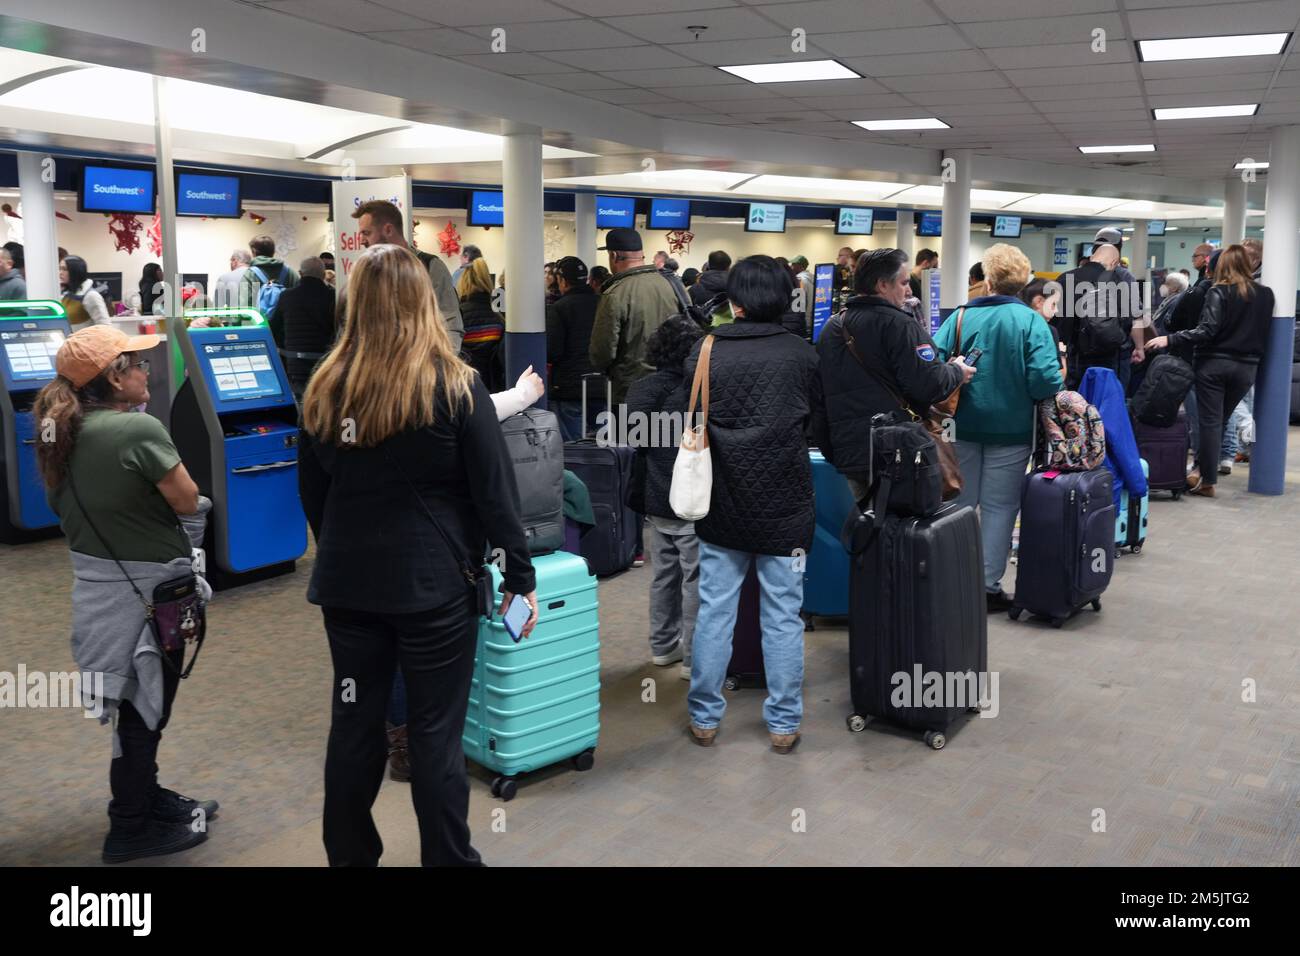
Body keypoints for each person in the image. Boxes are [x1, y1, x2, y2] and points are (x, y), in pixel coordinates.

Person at [298, 244, 536, 867]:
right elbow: (494, 493)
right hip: (434, 595)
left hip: (348, 595)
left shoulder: (325, 389)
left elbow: (314, 499)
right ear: (422, 302)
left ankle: (350, 859)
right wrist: (520, 576)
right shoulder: (457, 385)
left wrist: (349, 552)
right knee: (434, 734)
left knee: (353, 725)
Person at [34, 325, 215, 864]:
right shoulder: (138, 432)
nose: (146, 373)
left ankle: (145, 796)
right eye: (136, 364)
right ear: (114, 378)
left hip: (98, 593)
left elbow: (59, 509)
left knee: (136, 703)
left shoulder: (60, 432)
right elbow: (186, 500)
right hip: (153, 593)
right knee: (147, 708)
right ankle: (130, 825)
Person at [684, 255, 826, 755]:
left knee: (715, 611)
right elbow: (818, 428)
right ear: (786, 295)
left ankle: (704, 717)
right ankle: (783, 724)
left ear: (735, 299)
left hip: (721, 505)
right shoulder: (803, 355)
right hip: (786, 507)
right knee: (784, 614)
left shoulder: (705, 351)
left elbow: (691, 420)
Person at [934, 244, 1063, 612]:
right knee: (1000, 507)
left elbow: (935, 371)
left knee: (957, 505)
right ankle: (987, 586)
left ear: (987, 280)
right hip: (1012, 430)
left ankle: (949, 577)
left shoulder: (958, 318)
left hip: (957, 427)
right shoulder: (1031, 322)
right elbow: (1044, 380)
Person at [818, 248, 972, 500]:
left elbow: (819, 399)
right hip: (899, 451)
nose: (909, 290)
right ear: (882, 285)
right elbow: (928, 385)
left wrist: (834, 451)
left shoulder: (832, 327)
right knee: (902, 533)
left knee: (864, 529)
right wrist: (956, 371)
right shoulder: (900, 325)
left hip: (850, 453)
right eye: (903, 283)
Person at [1145, 244, 1273, 498]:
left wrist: (1169, 339)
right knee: (1221, 420)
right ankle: (1201, 472)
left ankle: (1207, 481)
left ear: (1222, 265)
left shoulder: (1219, 292)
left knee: (1211, 422)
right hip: (1247, 368)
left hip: (1213, 364)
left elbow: (1207, 330)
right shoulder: (1266, 294)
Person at [625, 315, 704, 678]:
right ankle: (693, 657)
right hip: (692, 498)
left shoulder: (642, 388)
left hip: (656, 497)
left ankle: (662, 646)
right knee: (695, 580)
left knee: (664, 575)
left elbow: (636, 440)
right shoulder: (699, 390)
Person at [349, 200, 463, 352]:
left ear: (388, 230)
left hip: (421, 367)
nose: (362, 240)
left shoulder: (430, 266)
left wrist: (442, 367)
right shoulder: (367, 272)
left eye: (366, 233)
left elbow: (450, 323)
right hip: (377, 369)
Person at [588, 227, 679, 405]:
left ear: (613, 256)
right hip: (671, 386)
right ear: (641, 254)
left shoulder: (615, 294)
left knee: (630, 434)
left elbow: (602, 352)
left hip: (630, 390)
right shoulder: (671, 285)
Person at [1054, 242, 1138, 389]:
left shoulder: (1065, 278)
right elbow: (1127, 321)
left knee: (1075, 402)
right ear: (1114, 263)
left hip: (1072, 355)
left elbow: (1054, 319)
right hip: (1106, 356)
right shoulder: (1117, 282)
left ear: (1092, 257)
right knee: (1102, 402)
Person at [1166, 244, 1217, 454]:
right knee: (1217, 416)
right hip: (1229, 360)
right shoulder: (1248, 294)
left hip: (1194, 354)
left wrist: (1172, 339)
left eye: (1195, 256)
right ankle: (1223, 455)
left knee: (1197, 411)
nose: (1192, 259)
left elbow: (1181, 324)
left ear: (1207, 264)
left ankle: (1199, 457)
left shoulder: (1198, 292)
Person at [545, 256, 600, 440]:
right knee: (602, 445)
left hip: (569, 387)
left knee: (573, 446)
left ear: (562, 281)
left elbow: (554, 351)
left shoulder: (560, 308)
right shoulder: (603, 302)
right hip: (600, 384)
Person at [277, 256, 337, 399]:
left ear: (300, 273)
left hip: (295, 364)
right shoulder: (332, 297)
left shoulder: (286, 296)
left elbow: (276, 328)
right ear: (323, 275)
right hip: (325, 362)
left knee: (302, 401)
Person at [457, 257, 505, 392]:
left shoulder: (457, 317)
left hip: (464, 388)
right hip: (493, 389)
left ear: (462, 281)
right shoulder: (499, 318)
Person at [1020, 277, 1068, 379]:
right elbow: (1058, 377)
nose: (1056, 310)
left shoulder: (1013, 326)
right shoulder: (1049, 331)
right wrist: (1062, 353)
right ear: (1039, 302)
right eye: (1053, 304)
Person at [239, 236, 298, 313]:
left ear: (254, 252)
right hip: (286, 323)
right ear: (273, 252)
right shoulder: (289, 273)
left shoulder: (250, 274)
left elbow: (245, 307)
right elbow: (299, 300)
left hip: (262, 323)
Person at [60, 255, 110, 330]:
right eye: (60, 268)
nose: (60, 272)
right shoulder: (67, 294)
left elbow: (105, 327)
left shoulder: (91, 296)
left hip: (85, 341)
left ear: (75, 271)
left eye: (64, 269)